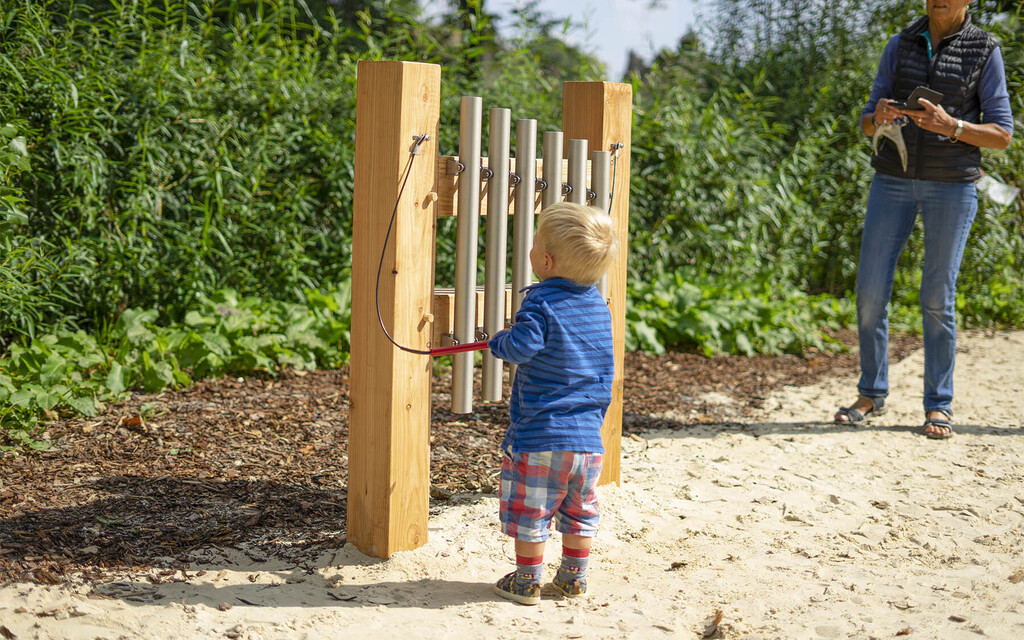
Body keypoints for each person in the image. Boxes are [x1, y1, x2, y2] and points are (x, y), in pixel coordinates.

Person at [835, 0, 1013, 438]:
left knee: (937, 296)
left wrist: (951, 126)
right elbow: (864, 122)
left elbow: (1002, 134)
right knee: (870, 292)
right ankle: (872, 392)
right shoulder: (900, 44)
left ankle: (938, 405)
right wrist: (876, 118)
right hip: (892, 180)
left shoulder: (984, 49)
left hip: (953, 184)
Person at [486, 202, 617, 605]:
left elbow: (522, 347)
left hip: (541, 436)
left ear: (545, 260)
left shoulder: (541, 304)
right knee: (579, 510)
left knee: (532, 511)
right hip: (587, 442)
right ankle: (573, 577)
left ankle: (527, 580)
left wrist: (499, 342)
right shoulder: (598, 305)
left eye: (535, 243)